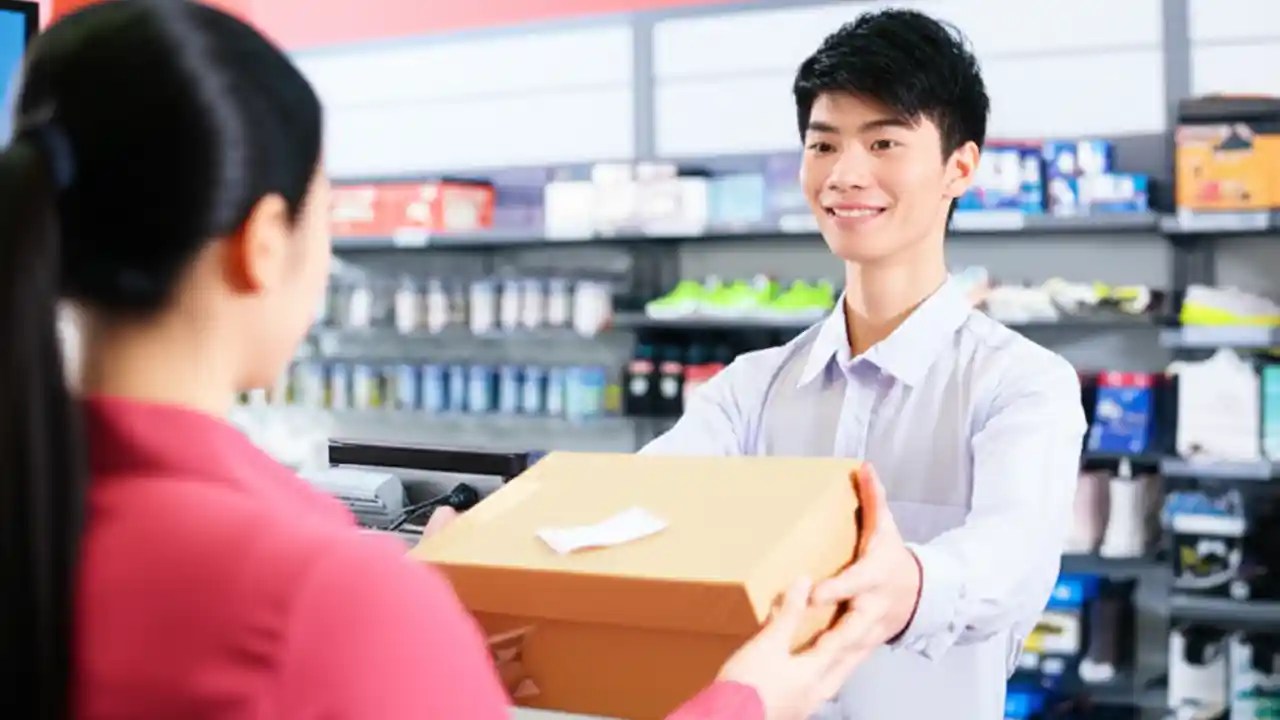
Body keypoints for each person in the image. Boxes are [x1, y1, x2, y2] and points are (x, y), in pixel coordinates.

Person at [0, 2, 870, 718]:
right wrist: (749, 700)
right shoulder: (324, 597)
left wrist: (412, 663)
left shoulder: (58, 512)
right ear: (262, 244)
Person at [642, 9, 1087, 720]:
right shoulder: (747, 390)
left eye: (884, 141)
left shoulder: (1021, 384)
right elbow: (646, 502)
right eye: (823, 145)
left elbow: (1010, 559)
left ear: (959, 167)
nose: (846, 174)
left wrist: (905, 582)